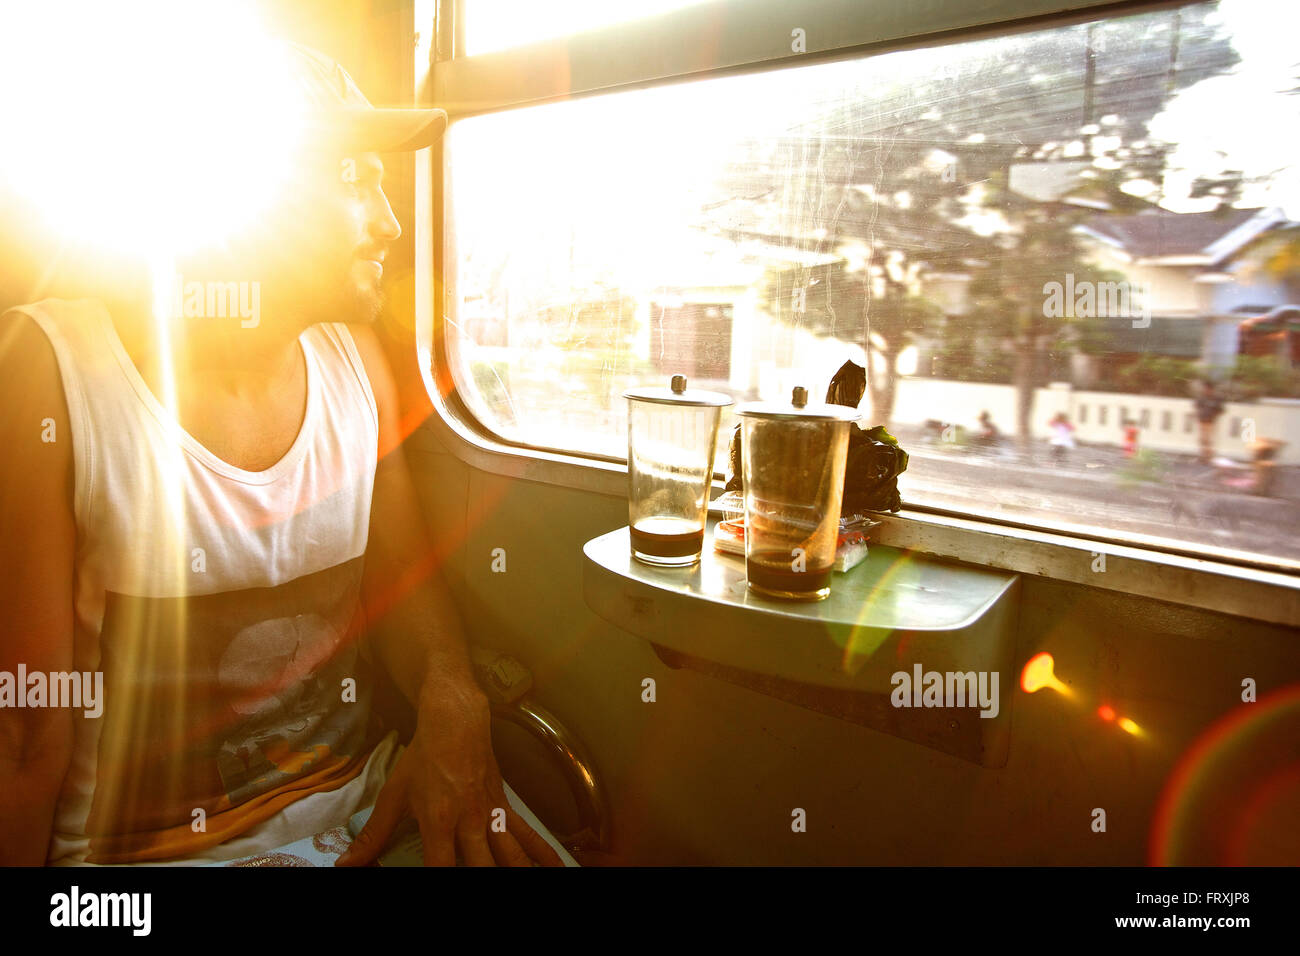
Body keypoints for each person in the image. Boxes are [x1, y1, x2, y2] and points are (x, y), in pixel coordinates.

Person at [0, 43, 566, 866]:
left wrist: (453, 698)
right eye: (351, 178)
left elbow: (403, 589)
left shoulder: (355, 360)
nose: (390, 220)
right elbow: (25, 726)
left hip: (364, 812)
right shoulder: (48, 374)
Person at [1193, 380, 1225, 464]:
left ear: (1211, 389)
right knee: (1203, 439)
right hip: (1202, 420)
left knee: (1209, 439)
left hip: (1211, 421)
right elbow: (1196, 406)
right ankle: (1203, 455)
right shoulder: (1201, 397)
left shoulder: (1216, 398)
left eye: (1208, 389)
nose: (1206, 390)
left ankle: (1209, 457)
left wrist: (1214, 414)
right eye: (1205, 388)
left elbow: (1221, 410)